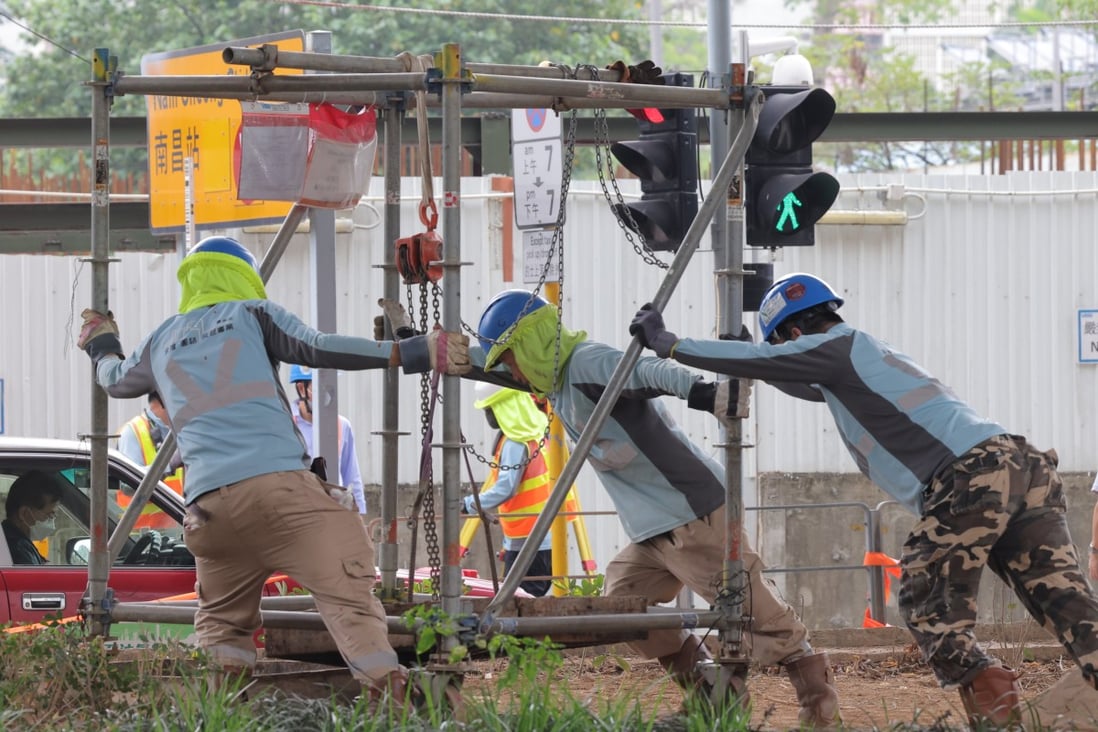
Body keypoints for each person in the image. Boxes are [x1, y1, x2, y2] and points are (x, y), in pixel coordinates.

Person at [631, 272, 1098, 727]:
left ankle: (995, 706)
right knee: (1064, 599)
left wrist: (669, 343)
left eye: (784, 347)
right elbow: (789, 376)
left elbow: (764, 361)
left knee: (923, 594)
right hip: (1022, 466)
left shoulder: (835, 348)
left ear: (795, 333)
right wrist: (746, 356)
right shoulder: (862, 357)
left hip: (971, 477)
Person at [76, 235, 470, 703]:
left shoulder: (161, 338)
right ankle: (399, 699)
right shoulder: (252, 314)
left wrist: (101, 344)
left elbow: (115, 380)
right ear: (243, 276)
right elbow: (319, 348)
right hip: (277, 491)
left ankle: (223, 711)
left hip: (206, 514)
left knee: (223, 628)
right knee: (347, 589)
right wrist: (413, 351)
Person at [471, 289, 840, 726]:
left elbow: (648, 370)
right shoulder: (556, 383)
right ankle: (713, 696)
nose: (511, 370)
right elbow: (498, 372)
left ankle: (820, 709)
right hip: (653, 529)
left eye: (510, 358)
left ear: (530, 345)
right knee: (622, 606)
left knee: (758, 614)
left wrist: (709, 395)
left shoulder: (586, 363)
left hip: (690, 511)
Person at [464, 382, 554, 597]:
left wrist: (470, 504)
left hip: (526, 537)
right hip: (543, 533)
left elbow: (506, 488)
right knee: (531, 596)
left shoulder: (516, 442)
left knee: (522, 599)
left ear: (504, 407)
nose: (488, 415)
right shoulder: (539, 432)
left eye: (489, 409)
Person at [288, 365, 366, 515]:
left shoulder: (342, 426)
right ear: (302, 389)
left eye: (329, 387)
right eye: (319, 386)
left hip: (333, 512)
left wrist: (359, 513)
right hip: (298, 513)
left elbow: (351, 475)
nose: (326, 393)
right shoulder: (284, 424)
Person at [117, 391, 185, 529]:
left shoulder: (177, 431)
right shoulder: (133, 432)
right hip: (136, 537)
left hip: (172, 532)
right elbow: (128, 483)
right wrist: (169, 465)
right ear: (164, 403)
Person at [3, 470, 63, 565]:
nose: (52, 521)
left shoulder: (14, 542)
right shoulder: (17, 549)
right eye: (49, 514)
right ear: (25, 513)